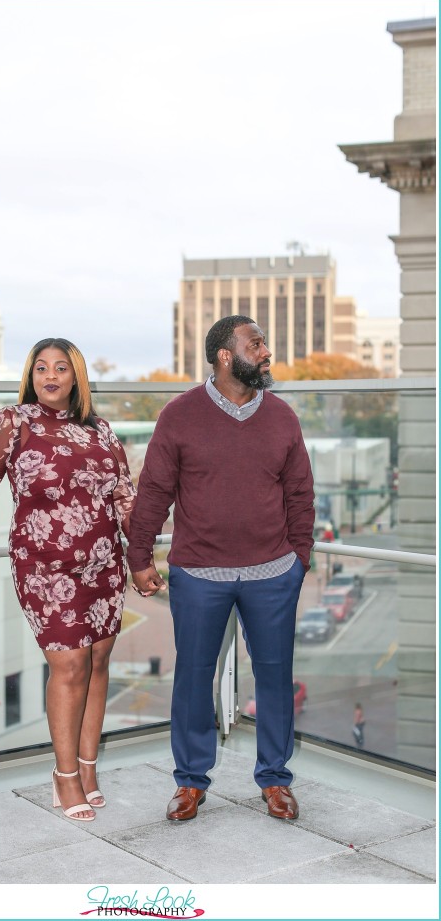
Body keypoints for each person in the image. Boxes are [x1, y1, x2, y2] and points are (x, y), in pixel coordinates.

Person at [0, 338, 135, 822]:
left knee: (99, 661)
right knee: (70, 665)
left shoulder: (99, 429)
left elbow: (124, 496)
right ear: (30, 375)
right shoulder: (10, 422)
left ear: (77, 376)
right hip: (44, 567)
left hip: (104, 564)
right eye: (41, 368)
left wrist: (138, 557)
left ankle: (88, 765)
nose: (50, 376)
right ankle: (64, 778)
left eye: (61, 368)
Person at [127, 315, 315, 822]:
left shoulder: (282, 417)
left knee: (275, 679)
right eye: (257, 344)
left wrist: (299, 558)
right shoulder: (179, 415)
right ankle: (190, 783)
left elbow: (300, 492)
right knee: (192, 679)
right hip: (199, 574)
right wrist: (139, 557)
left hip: (274, 573)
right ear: (226, 356)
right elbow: (154, 492)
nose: (267, 351)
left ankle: (275, 781)